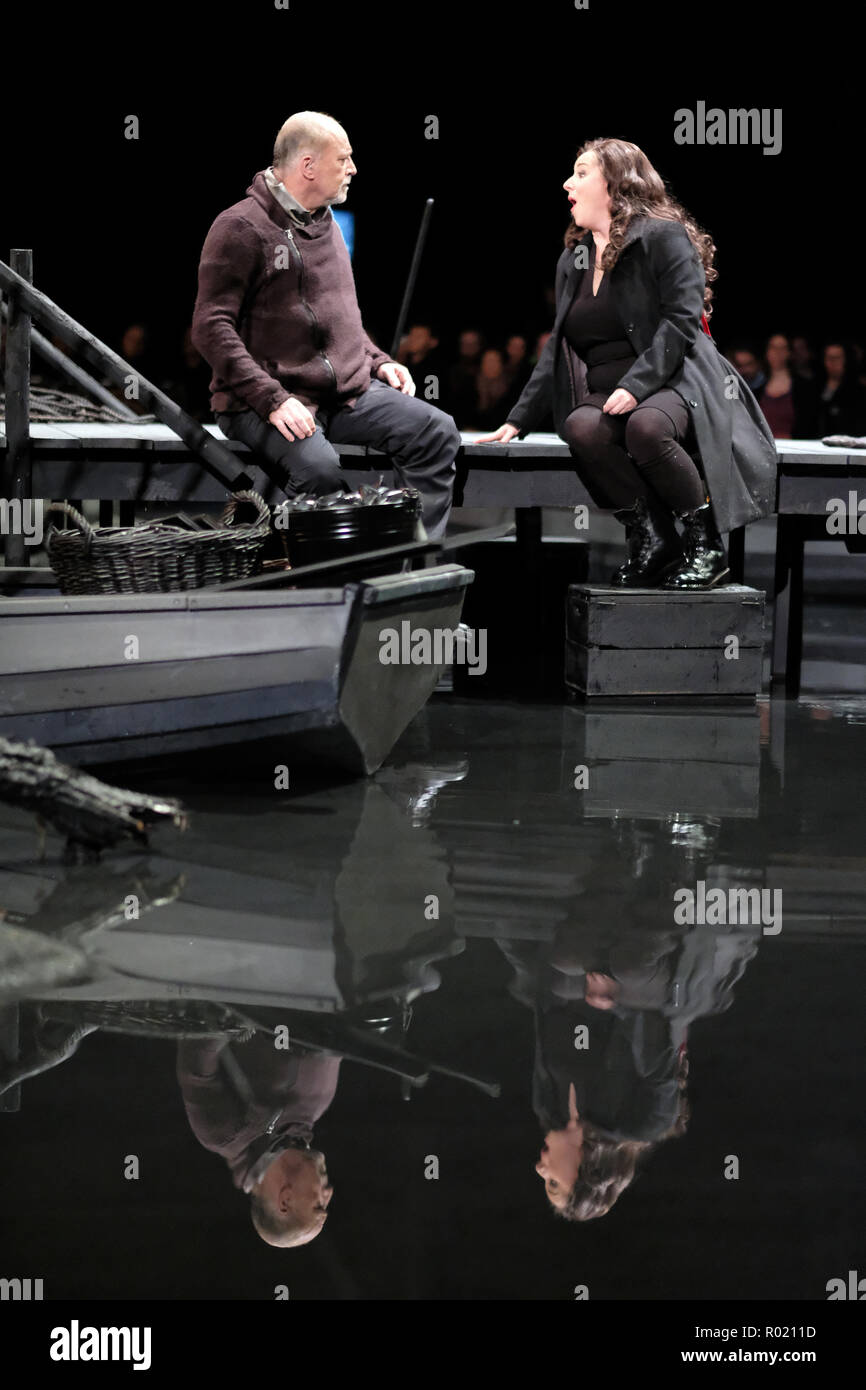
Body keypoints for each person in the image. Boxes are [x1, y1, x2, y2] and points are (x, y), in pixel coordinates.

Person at [476, 138, 779, 588]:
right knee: (580, 426)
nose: (567, 184)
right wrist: (518, 419)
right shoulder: (574, 258)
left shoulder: (662, 235)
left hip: (679, 381)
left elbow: (680, 322)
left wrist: (637, 386)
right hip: (613, 389)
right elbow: (558, 345)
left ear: (615, 185)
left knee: (646, 428)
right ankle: (656, 539)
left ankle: (706, 545)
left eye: (581, 173)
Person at [191, 111, 459, 538]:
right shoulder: (241, 227)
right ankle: (307, 580)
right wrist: (271, 398)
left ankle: (409, 566)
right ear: (308, 166)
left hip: (342, 395)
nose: (353, 168)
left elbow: (338, 316)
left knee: (435, 432)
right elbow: (210, 327)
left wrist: (377, 360)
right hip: (261, 401)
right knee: (318, 470)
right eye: (344, 159)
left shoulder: (326, 223)